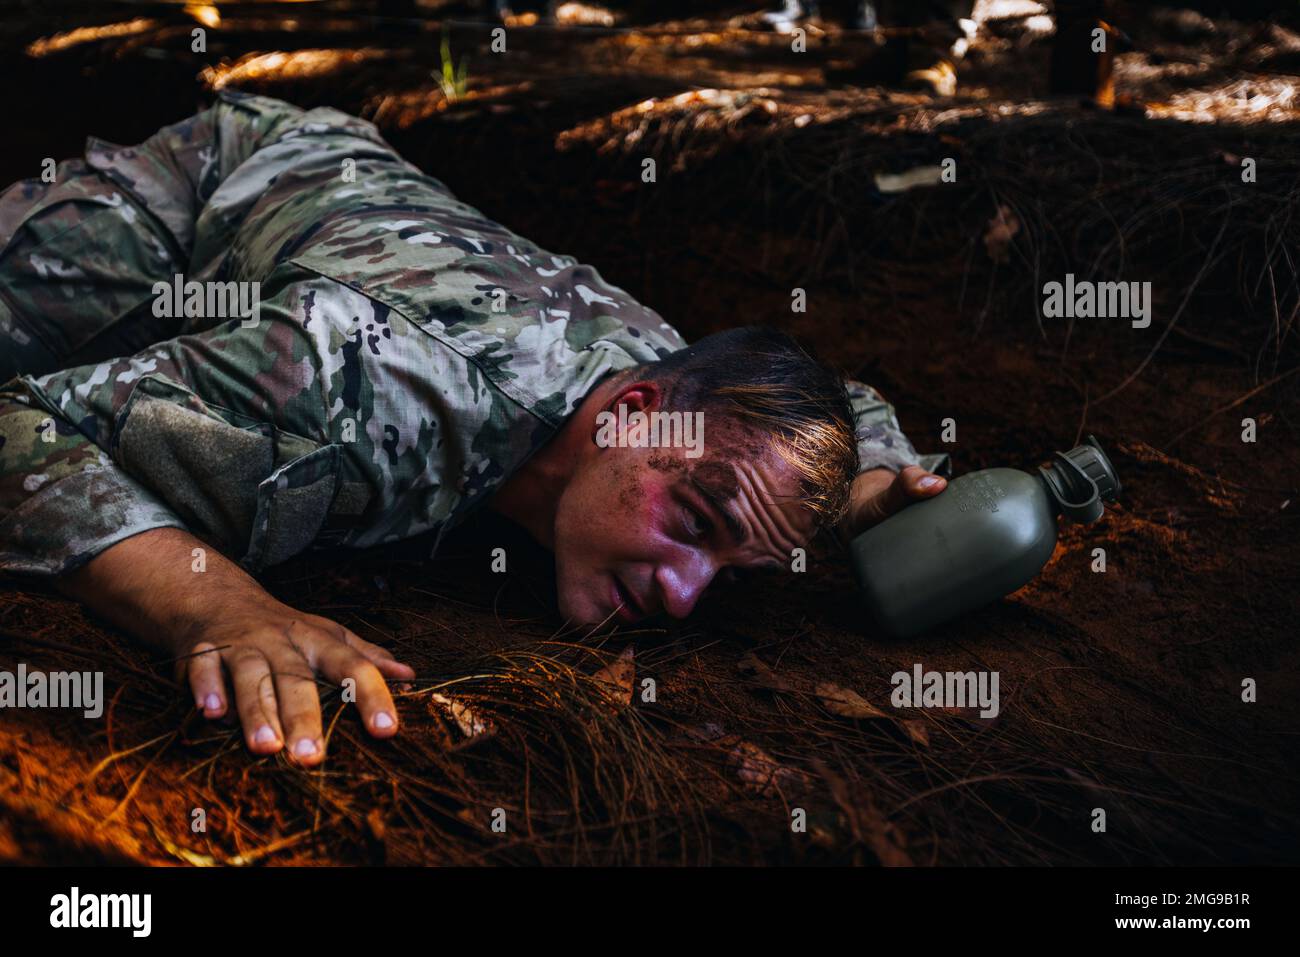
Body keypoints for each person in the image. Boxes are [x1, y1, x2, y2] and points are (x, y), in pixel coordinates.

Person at [0, 91, 948, 765]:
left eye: (729, 567)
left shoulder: (694, 394)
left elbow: (839, 406)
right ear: (627, 416)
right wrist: (219, 607)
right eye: (696, 526)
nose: (685, 597)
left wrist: (872, 486)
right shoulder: (357, 390)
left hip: (381, 221)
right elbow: (18, 431)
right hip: (228, 175)